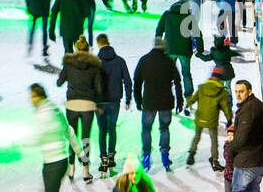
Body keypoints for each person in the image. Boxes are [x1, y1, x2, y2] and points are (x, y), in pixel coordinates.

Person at [56, 36, 104, 184]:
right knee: (85, 139)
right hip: (88, 106)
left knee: (72, 137)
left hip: (72, 105)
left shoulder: (69, 64)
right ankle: (85, 170)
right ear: (88, 50)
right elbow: (99, 89)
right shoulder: (95, 66)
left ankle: (71, 168)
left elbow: (59, 82)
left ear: (76, 49)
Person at [133, 37, 183, 173]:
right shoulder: (169, 61)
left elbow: (137, 81)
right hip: (166, 102)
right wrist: (180, 100)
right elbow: (178, 82)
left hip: (149, 102)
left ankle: (146, 156)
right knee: (164, 129)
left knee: (146, 129)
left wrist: (138, 100)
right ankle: (165, 156)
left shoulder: (144, 60)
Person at [29, 83, 82, 192]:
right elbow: (69, 132)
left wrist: (23, 141)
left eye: (33, 96)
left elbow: (41, 136)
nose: (31, 99)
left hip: (54, 164)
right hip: (58, 162)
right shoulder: (54, 109)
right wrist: (79, 152)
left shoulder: (44, 113)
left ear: (40, 97)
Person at [230, 80, 263, 192]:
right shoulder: (258, 104)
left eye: (241, 91)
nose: (237, 95)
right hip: (260, 161)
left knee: (238, 190)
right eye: (236, 91)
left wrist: (229, 151)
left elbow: (241, 138)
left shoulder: (247, 111)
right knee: (253, 189)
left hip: (247, 162)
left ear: (249, 91)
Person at [95, 34, 132, 178]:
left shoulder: (96, 62)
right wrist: (128, 99)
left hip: (99, 102)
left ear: (99, 44)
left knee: (102, 131)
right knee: (112, 129)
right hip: (115, 101)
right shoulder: (120, 61)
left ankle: (103, 159)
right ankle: (111, 157)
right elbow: (128, 81)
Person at [186, 69, 233, 170]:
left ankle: (191, 155)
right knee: (213, 140)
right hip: (211, 119)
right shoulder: (221, 91)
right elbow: (226, 107)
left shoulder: (202, 87)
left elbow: (193, 99)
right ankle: (215, 161)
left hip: (200, 117)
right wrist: (229, 119)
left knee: (197, 136)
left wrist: (187, 105)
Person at [155, 0, 196, 97]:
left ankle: (165, 92)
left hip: (169, 49)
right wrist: (200, 48)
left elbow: (159, 30)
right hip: (184, 50)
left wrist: (158, 46)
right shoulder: (189, 16)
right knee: (186, 73)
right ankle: (188, 95)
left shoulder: (167, 14)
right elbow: (197, 33)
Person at [48, 0, 87, 64]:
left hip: (65, 30)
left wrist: (51, 30)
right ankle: (79, 71)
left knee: (68, 52)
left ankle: (69, 70)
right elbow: (86, 13)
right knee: (79, 52)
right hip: (77, 30)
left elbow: (53, 14)